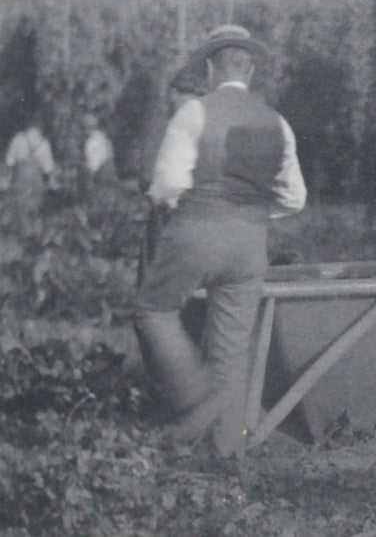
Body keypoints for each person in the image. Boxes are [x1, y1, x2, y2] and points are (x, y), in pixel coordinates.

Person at [134, 24, 306, 457]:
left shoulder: (194, 112)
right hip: (251, 243)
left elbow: (167, 186)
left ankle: (197, 397)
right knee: (231, 345)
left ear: (210, 67)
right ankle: (228, 451)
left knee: (153, 311)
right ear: (249, 70)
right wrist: (250, 212)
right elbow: (295, 198)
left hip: (197, 228)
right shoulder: (278, 122)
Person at [4, 116, 57, 212]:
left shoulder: (18, 139)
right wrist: (52, 184)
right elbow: (48, 168)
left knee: (20, 206)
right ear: (41, 128)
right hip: (36, 180)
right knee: (35, 207)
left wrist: (7, 180)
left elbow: (9, 161)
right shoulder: (44, 143)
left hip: (20, 178)